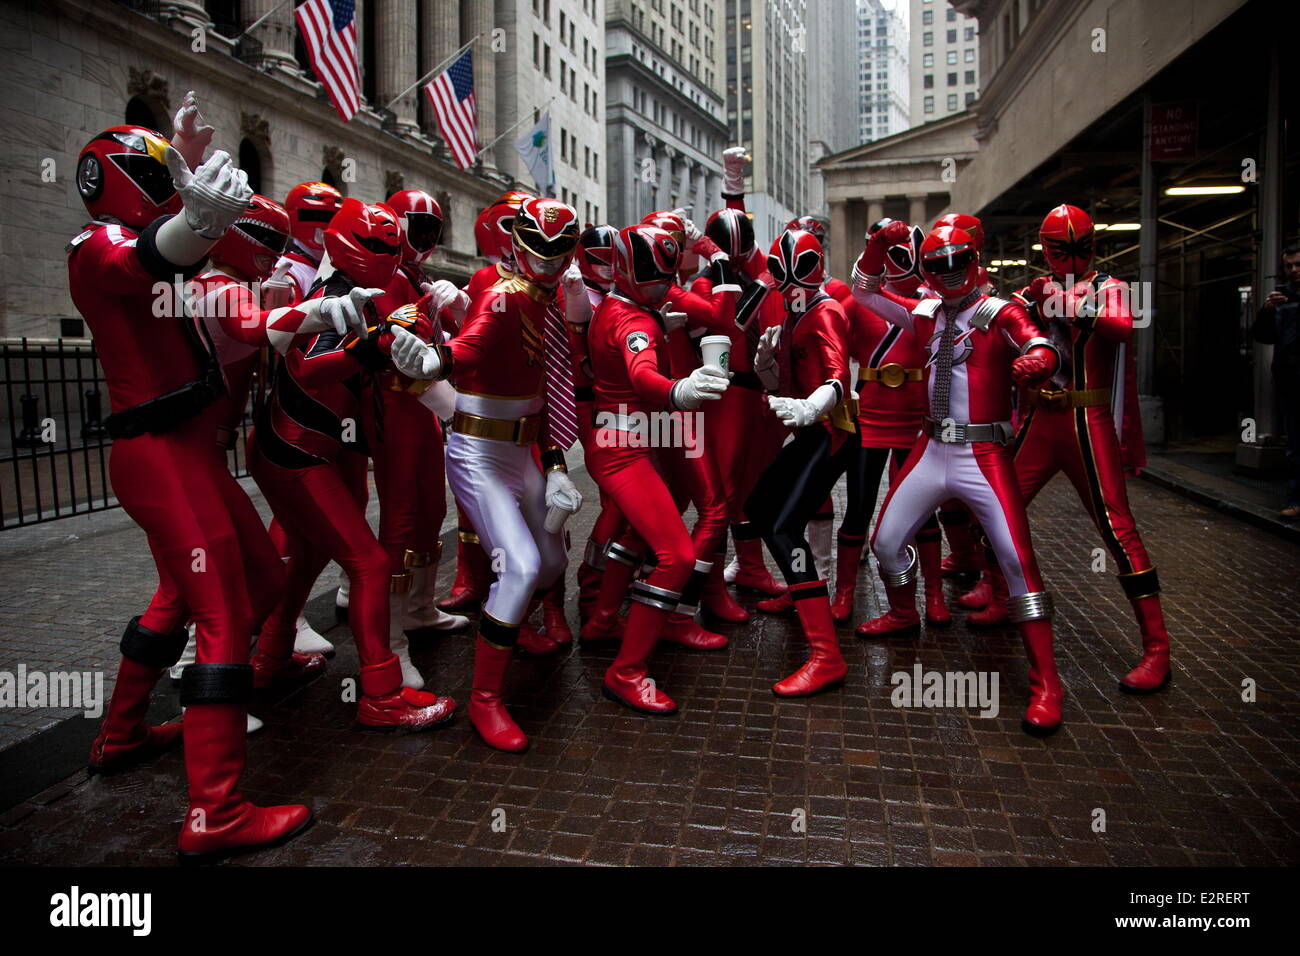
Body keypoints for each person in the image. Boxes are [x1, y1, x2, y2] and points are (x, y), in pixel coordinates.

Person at [69, 118, 314, 862]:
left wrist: (201, 215)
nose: (174, 189)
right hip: (160, 452)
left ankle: (122, 732)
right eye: (164, 178)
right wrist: (200, 217)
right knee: (221, 608)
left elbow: (181, 264)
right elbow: (146, 255)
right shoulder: (97, 247)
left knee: (256, 581)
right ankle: (216, 809)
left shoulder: (172, 261)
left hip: (187, 454)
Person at [851, 221, 1067, 734]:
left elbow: (1042, 343)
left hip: (983, 452)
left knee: (1017, 559)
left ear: (973, 259)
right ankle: (904, 612)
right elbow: (865, 291)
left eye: (956, 261)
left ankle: (1047, 683)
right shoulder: (927, 314)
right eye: (936, 264)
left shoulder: (998, 314)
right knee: (885, 543)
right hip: (931, 446)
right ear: (926, 269)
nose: (948, 272)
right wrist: (877, 245)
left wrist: (1038, 361)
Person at [960, 205, 1171, 695]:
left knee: (1117, 531)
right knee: (989, 508)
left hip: (1086, 419)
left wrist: (1059, 301)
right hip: (1040, 419)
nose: (1069, 258)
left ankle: (1158, 649)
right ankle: (996, 591)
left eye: (1078, 249)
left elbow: (1121, 324)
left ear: (1093, 246)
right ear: (1045, 249)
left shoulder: (1108, 288)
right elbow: (992, 319)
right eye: (1059, 250)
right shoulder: (1031, 291)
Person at [423, 197, 584, 752]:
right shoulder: (504, 294)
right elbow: (467, 353)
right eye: (539, 251)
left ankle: (511, 628)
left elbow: (541, 396)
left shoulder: (545, 301)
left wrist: (557, 463)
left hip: (519, 451)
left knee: (554, 557)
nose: (548, 264)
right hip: (479, 452)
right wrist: (433, 361)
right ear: (516, 244)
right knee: (520, 566)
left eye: (559, 254)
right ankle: (484, 700)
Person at [585, 224, 731, 711]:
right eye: (652, 270)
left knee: (636, 532)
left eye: (663, 270)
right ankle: (626, 671)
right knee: (677, 556)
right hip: (625, 446)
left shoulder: (624, 307)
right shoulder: (636, 320)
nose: (660, 280)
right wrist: (677, 390)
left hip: (624, 440)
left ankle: (604, 619)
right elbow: (641, 373)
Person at [745, 229, 856, 696]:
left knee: (784, 523)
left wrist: (811, 407)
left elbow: (837, 375)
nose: (785, 289)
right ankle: (801, 584)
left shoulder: (825, 311)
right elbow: (784, 386)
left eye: (793, 279)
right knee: (762, 509)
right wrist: (768, 366)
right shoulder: (797, 316)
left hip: (833, 431)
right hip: (813, 432)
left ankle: (826, 655)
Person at [1253, 244, 1300, 519]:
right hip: (1291, 382)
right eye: (1288, 266)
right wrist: (1268, 310)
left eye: (1298, 265)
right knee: (1295, 446)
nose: (1293, 271)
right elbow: (1263, 336)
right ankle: (1297, 501)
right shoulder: (1282, 300)